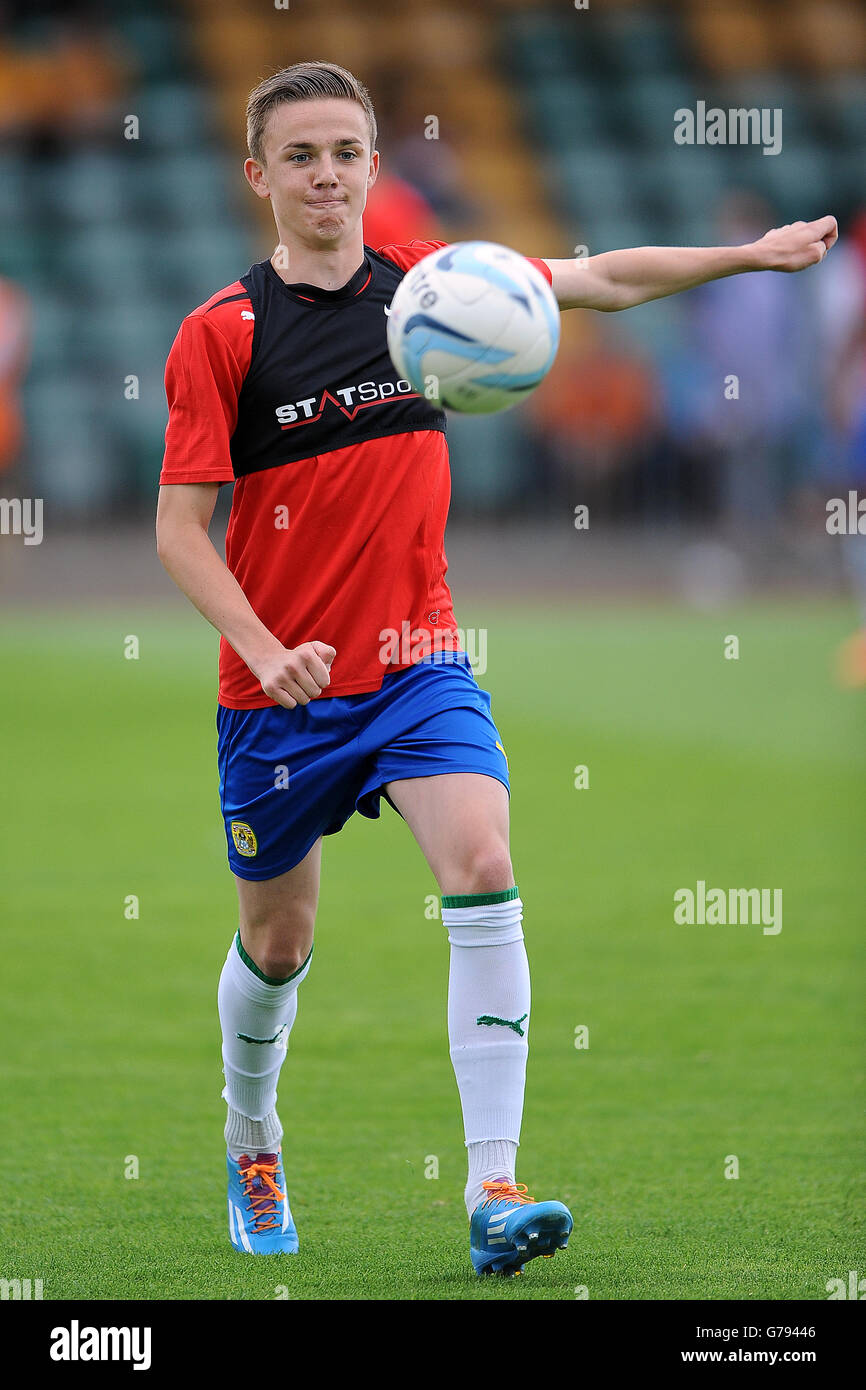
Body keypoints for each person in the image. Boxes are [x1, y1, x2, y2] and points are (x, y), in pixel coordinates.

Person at [155, 60, 837, 1277]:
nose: (326, 174)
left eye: (346, 151)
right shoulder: (222, 335)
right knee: (278, 944)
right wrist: (265, 649)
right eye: (300, 155)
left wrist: (746, 256)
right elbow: (177, 530)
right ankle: (250, 1135)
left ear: (375, 164)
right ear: (258, 175)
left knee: (481, 860)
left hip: (418, 662)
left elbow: (597, 280)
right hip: (278, 691)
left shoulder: (431, 291)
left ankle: (491, 1186)